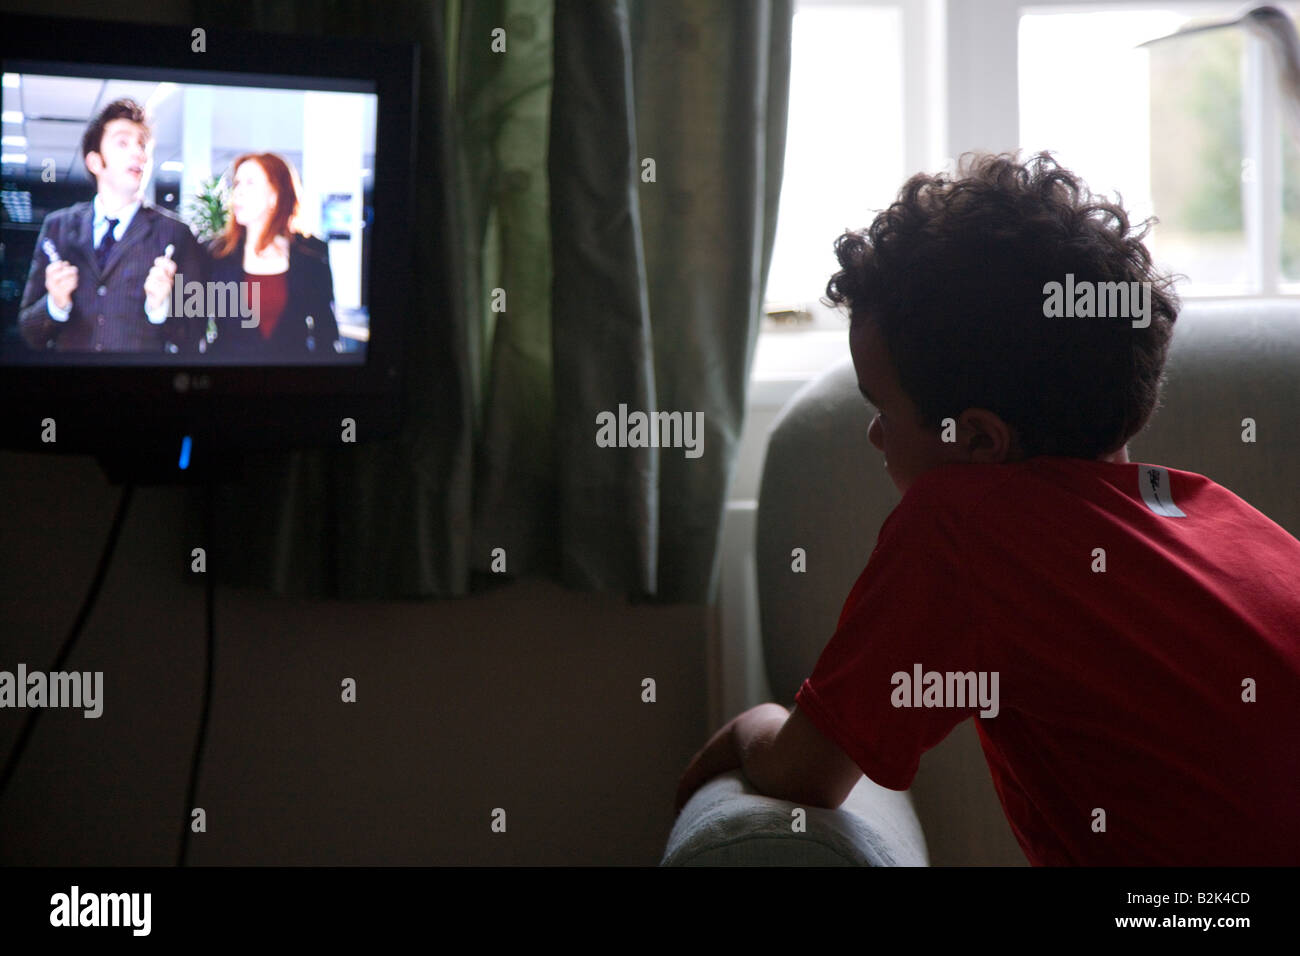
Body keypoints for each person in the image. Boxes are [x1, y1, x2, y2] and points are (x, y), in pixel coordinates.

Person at [675, 152, 1300, 865]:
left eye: (883, 408)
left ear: (975, 438)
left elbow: (803, 773)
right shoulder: (1222, 519)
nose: (875, 435)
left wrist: (755, 723)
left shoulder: (962, 525)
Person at [17, 98, 203, 353]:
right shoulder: (57, 228)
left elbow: (193, 335)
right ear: (95, 162)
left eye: (142, 144)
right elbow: (29, 332)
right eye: (123, 142)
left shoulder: (176, 234)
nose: (138, 152)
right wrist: (55, 304)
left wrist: (161, 308)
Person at [203, 152, 339, 360]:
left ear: (275, 195)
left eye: (250, 183)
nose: (237, 192)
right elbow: (193, 327)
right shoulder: (215, 252)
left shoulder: (312, 253)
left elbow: (326, 333)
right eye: (236, 184)